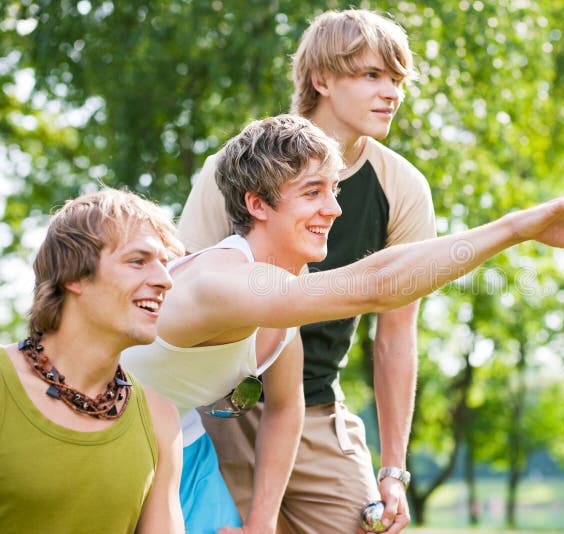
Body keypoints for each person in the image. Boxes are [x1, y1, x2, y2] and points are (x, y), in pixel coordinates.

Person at [129, 112, 564, 534]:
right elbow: (376, 283)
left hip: (179, 439)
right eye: (312, 193)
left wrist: (260, 526)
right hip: (105, 426)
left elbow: (285, 407)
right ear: (257, 205)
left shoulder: (281, 292)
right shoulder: (226, 281)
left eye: (334, 189)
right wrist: (518, 227)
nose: (334, 208)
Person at [179, 9, 436, 533]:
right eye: (371, 76)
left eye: (396, 80)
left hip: (315, 409)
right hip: (214, 410)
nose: (391, 93)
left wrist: (393, 469)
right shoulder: (234, 168)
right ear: (321, 79)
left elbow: (396, 338)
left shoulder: (403, 188)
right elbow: (175, 295)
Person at [0, 189, 185, 533]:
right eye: (138, 261)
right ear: (73, 274)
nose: (165, 279)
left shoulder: (159, 420)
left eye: (163, 262)